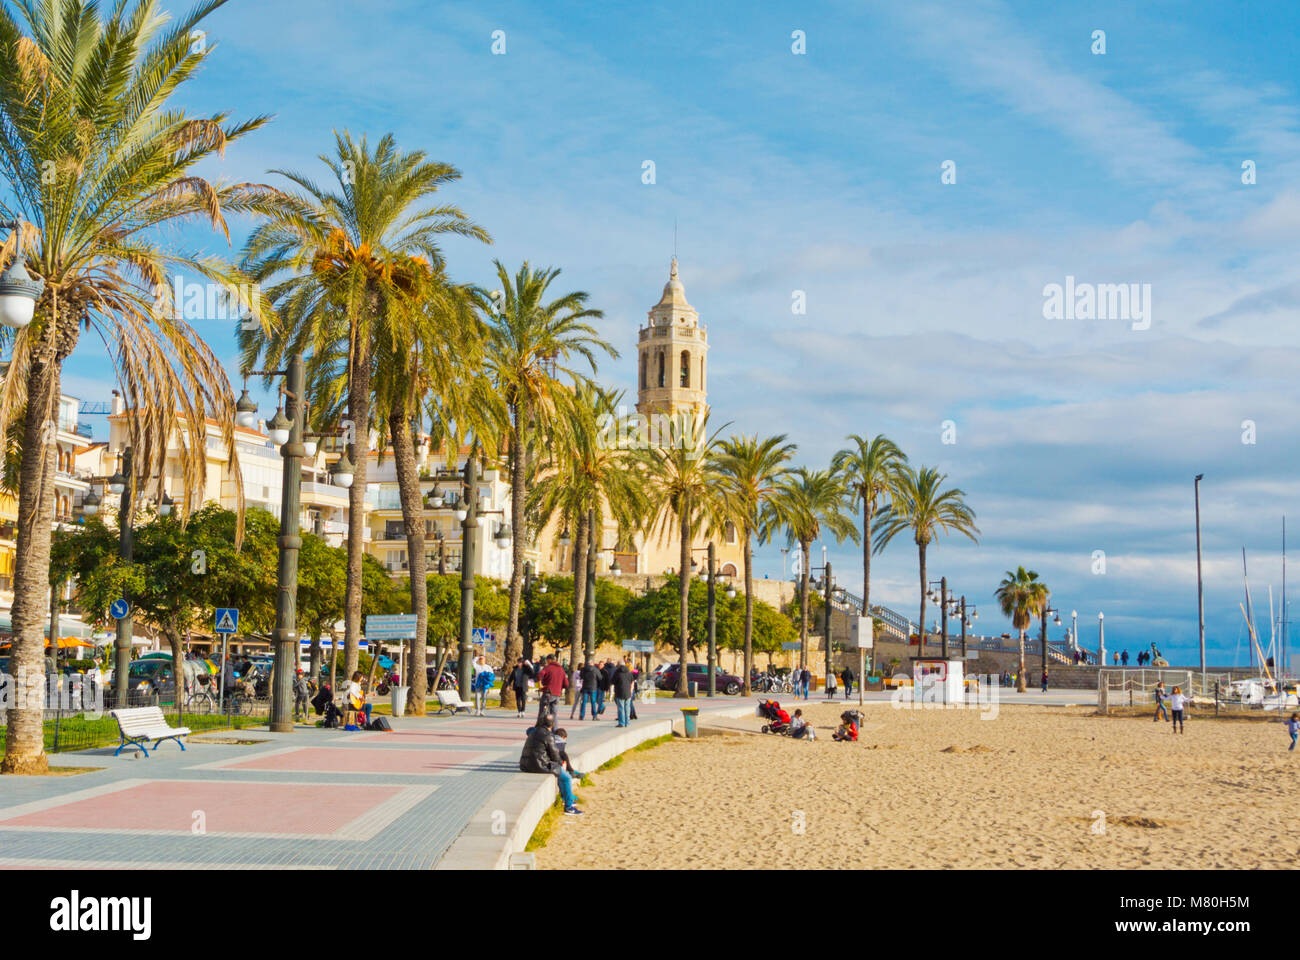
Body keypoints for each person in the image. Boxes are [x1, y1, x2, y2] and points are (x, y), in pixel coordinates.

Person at [519, 715, 582, 816]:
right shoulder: (548, 735)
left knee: (561, 773)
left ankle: (565, 798)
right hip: (539, 765)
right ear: (552, 725)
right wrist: (561, 764)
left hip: (525, 764)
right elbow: (554, 754)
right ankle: (569, 807)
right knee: (566, 777)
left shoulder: (533, 732)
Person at [536, 654, 567, 728]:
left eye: (547, 660)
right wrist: (559, 687)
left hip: (548, 693)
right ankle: (555, 731)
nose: (546, 662)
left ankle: (540, 730)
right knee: (554, 715)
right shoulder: (561, 669)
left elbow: (539, 675)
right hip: (557, 695)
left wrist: (540, 685)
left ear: (549, 660)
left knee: (543, 713)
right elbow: (566, 684)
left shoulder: (548, 668)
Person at [613, 657, 635, 727]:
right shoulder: (629, 672)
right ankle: (627, 723)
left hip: (619, 692)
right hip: (628, 692)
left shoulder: (617, 672)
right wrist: (631, 690)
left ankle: (622, 723)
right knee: (627, 708)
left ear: (619, 665)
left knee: (621, 708)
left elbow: (613, 681)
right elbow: (632, 681)